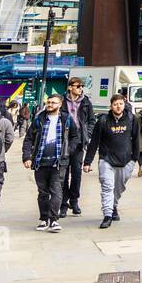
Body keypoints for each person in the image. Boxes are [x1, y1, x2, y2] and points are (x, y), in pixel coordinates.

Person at [83, 93, 140, 229]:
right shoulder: (103, 121)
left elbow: (137, 140)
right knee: (107, 187)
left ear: (124, 104)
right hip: (106, 159)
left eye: (120, 104)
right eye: (115, 104)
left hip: (126, 160)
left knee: (119, 188)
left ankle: (113, 205)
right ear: (111, 106)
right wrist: (87, 162)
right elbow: (94, 142)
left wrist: (135, 159)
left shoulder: (132, 119)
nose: (118, 106)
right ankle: (107, 215)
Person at [21, 94, 72, 231]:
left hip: (58, 162)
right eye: (48, 102)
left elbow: (75, 137)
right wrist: (27, 157)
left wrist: (68, 151)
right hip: (40, 161)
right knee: (42, 192)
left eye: (53, 102)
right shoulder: (39, 119)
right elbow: (28, 139)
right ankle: (44, 219)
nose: (50, 104)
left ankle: (54, 220)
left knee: (56, 190)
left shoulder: (66, 119)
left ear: (60, 104)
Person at [60, 77, 95, 217]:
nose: (80, 88)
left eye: (81, 86)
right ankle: (63, 203)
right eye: (78, 86)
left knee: (76, 173)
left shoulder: (86, 102)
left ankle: (74, 200)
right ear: (70, 87)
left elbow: (92, 120)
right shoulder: (61, 101)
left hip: (79, 141)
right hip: (63, 141)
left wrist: (87, 134)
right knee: (62, 174)